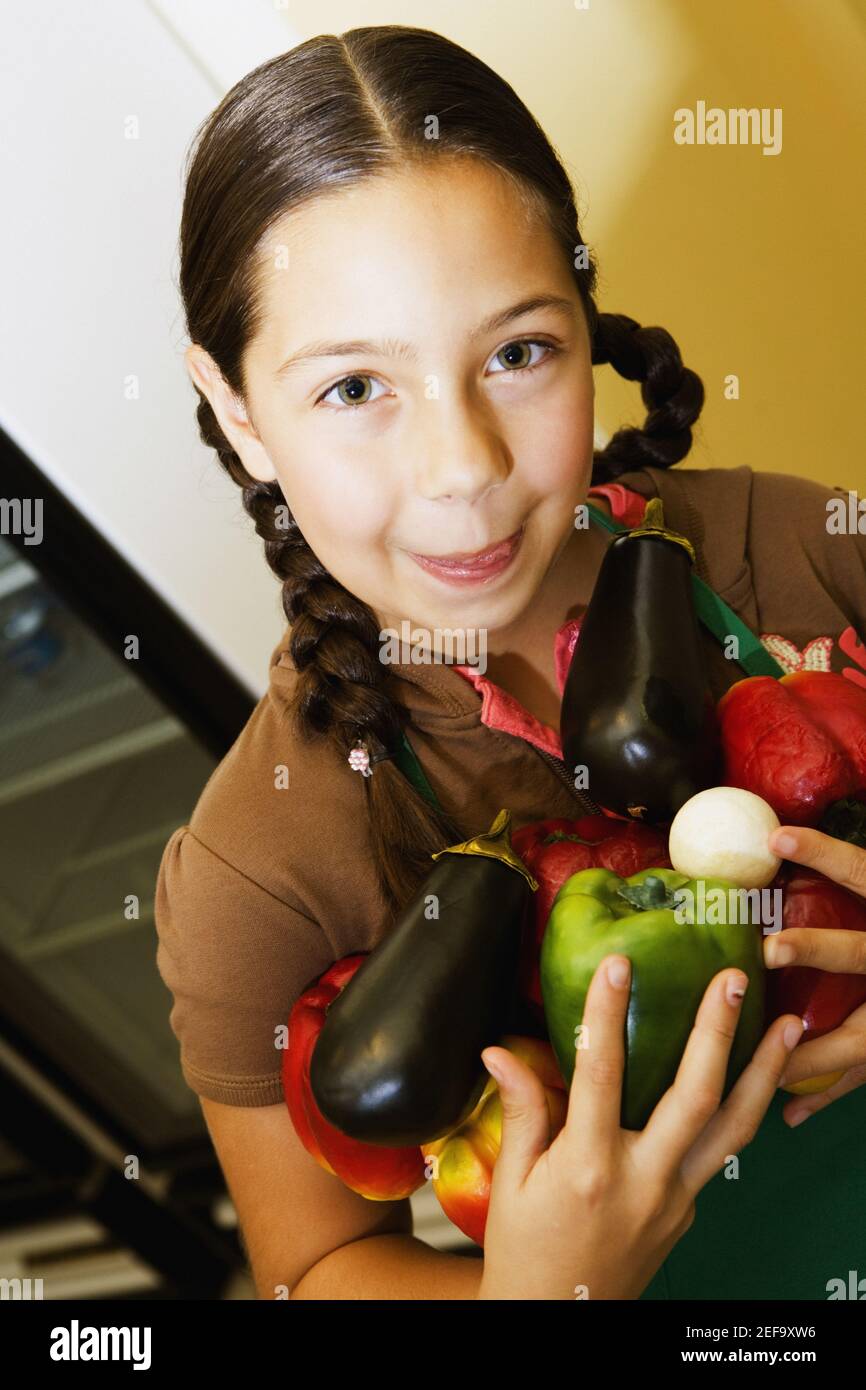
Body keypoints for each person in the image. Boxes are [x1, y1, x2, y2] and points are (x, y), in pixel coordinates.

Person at [154, 25, 866, 1300]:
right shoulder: (254, 875)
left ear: (585, 326)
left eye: (517, 353)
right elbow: (316, 1264)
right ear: (238, 414)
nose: (463, 466)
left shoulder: (808, 548)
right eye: (354, 388)